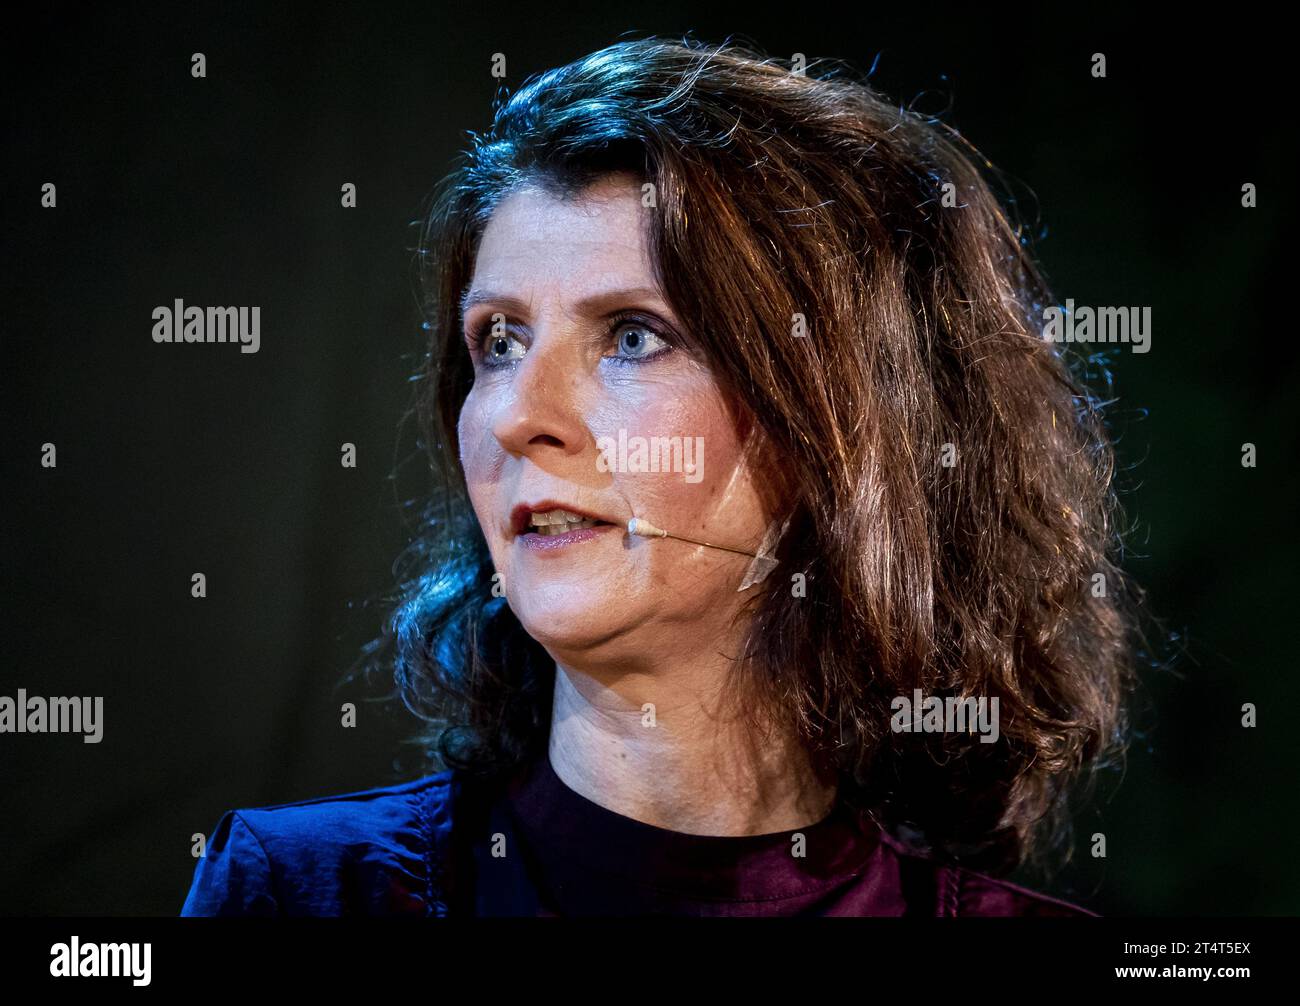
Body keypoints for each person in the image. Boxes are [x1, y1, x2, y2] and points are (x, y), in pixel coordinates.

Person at [183, 36, 1139, 917]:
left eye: (633, 337)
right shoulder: (304, 893)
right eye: (499, 341)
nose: (517, 416)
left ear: (845, 425)